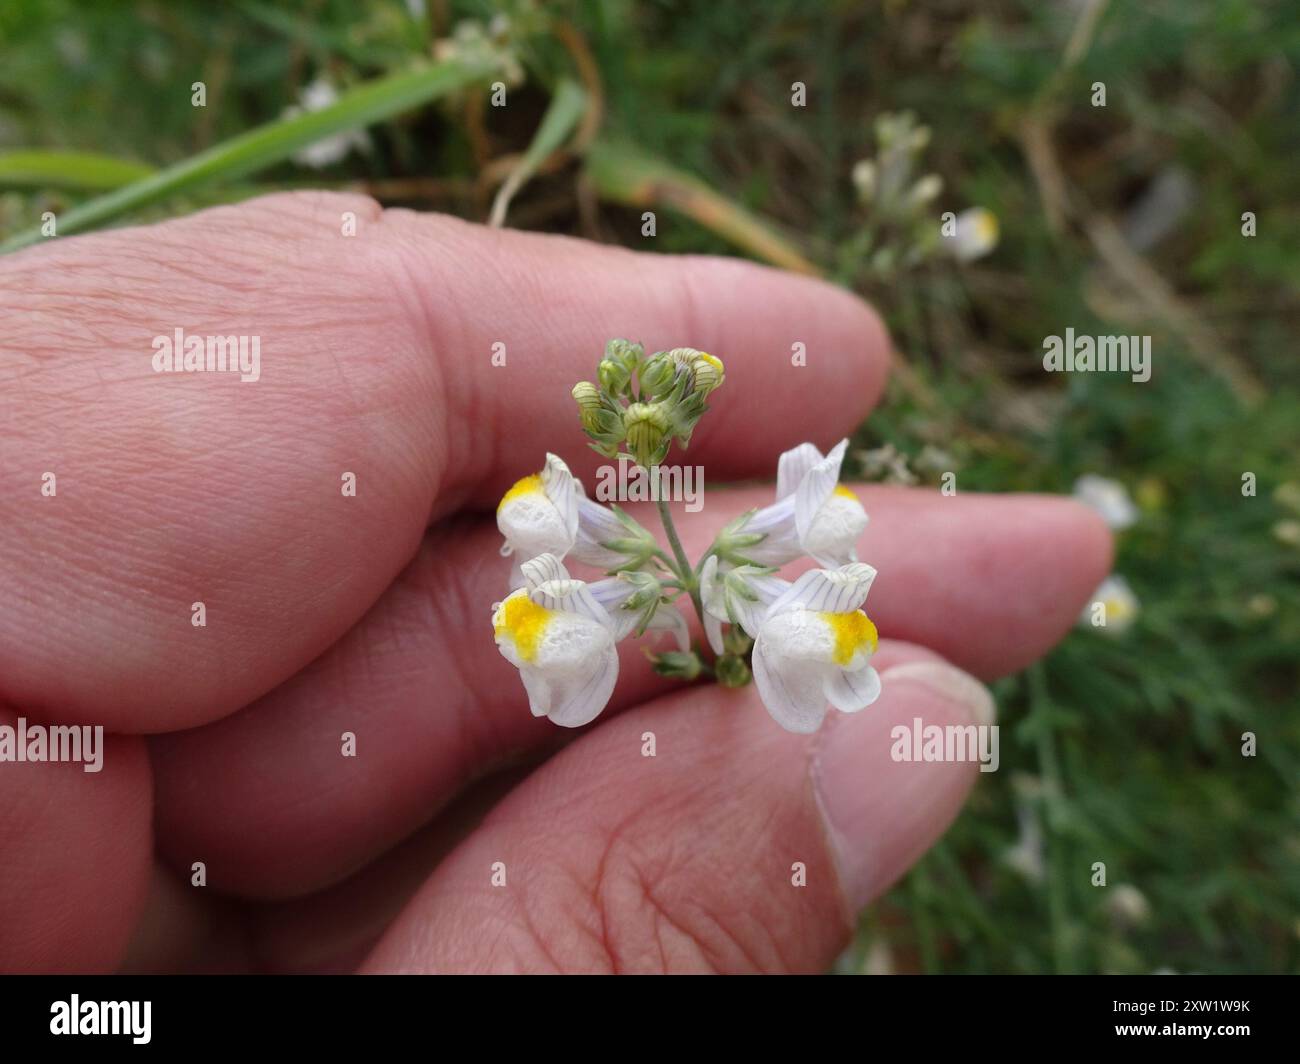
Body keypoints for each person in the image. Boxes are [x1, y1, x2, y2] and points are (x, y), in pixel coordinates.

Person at [0, 192, 1111, 973]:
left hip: (752, 604)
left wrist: (785, 598)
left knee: (771, 595)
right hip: (666, 599)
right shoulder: (597, 558)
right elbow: (561, 599)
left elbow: (817, 595)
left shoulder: (772, 588)